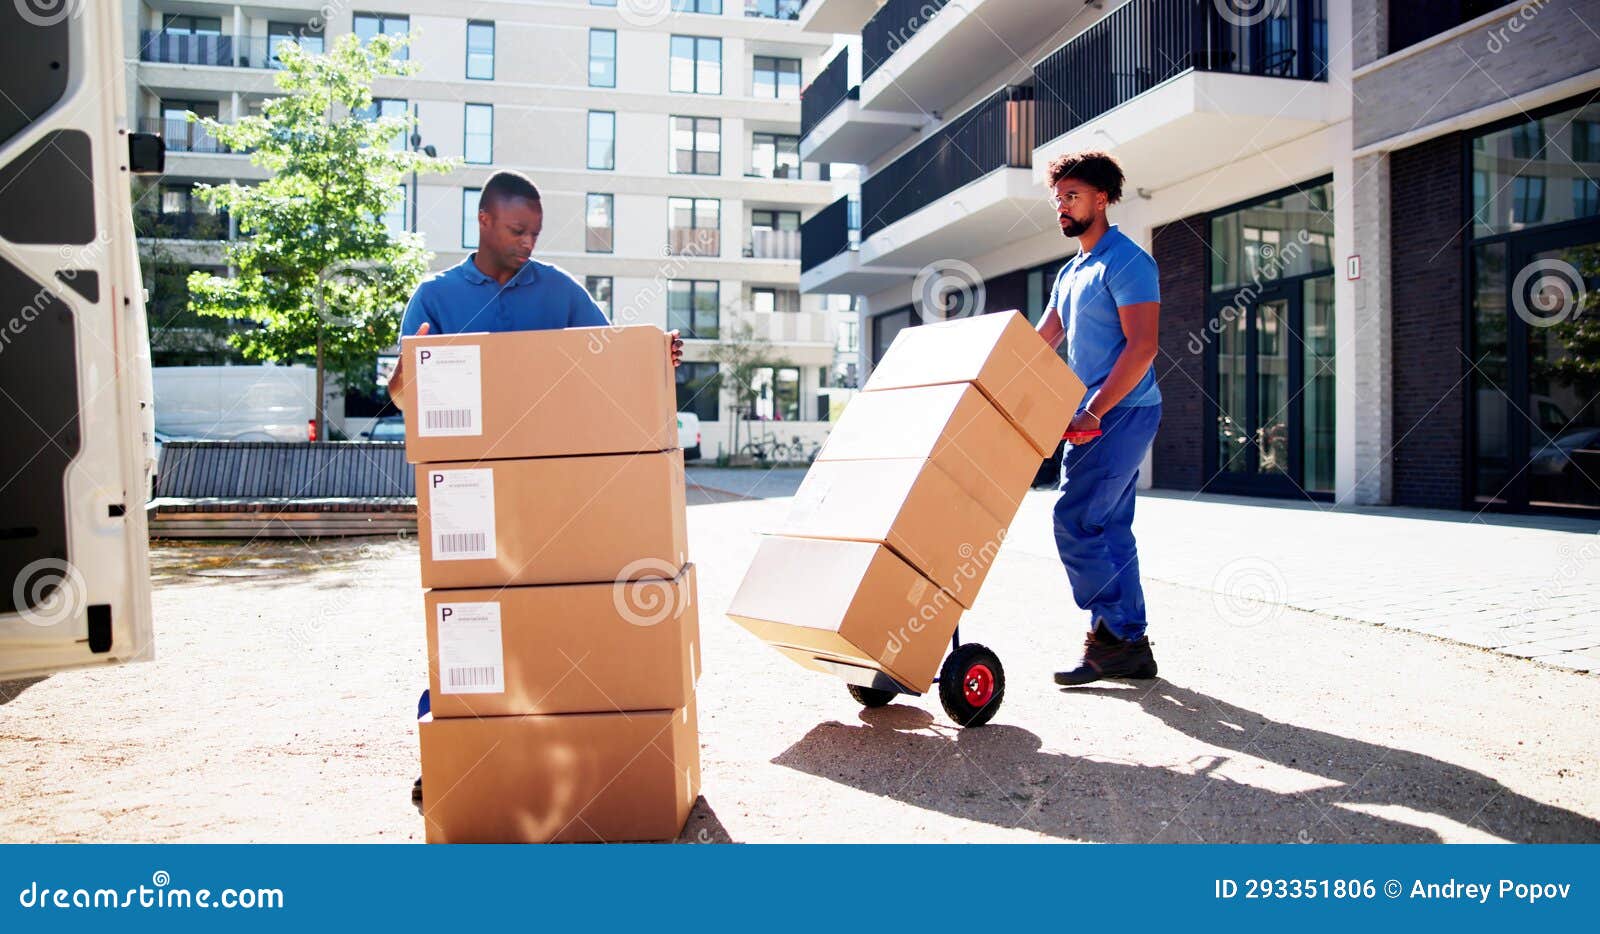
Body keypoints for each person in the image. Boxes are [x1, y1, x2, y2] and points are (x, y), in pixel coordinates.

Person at [390, 170, 682, 804]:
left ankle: (556, 756)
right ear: (485, 222)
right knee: (469, 626)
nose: (528, 243)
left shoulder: (559, 291)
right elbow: (402, 396)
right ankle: (450, 751)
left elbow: (613, 359)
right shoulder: (435, 296)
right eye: (518, 231)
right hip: (468, 495)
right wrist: (411, 368)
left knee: (548, 623)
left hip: (553, 493)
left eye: (536, 233)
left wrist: (657, 353)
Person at [1034, 151, 1163, 687]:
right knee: (1108, 525)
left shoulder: (1128, 262)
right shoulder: (1072, 270)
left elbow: (1143, 347)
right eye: (1058, 198)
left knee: (1076, 520)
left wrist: (1093, 409)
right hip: (1090, 416)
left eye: (1073, 197)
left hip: (1120, 413)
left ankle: (1118, 637)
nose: (1062, 207)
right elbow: (1042, 341)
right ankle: (1126, 643)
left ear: (1102, 198)